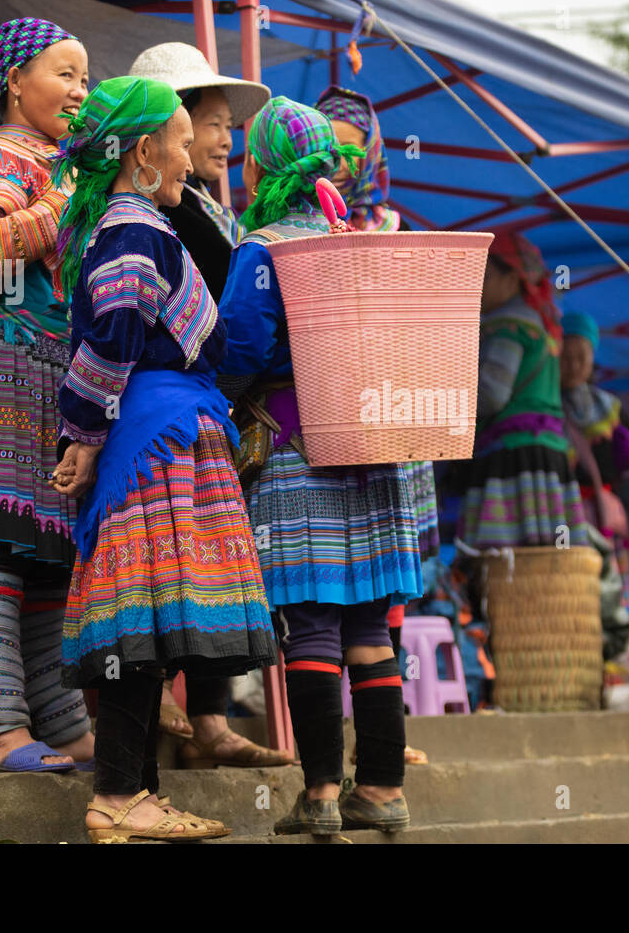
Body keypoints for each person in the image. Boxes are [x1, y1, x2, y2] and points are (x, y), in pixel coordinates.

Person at [52, 75, 278, 842]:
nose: (193, 158)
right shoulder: (132, 233)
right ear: (145, 152)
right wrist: (82, 439)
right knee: (140, 625)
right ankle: (117, 796)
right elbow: (110, 340)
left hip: (161, 433)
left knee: (143, 625)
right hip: (157, 444)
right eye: (183, 142)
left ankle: (136, 794)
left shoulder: (134, 226)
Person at [218, 96, 419, 835]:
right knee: (370, 627)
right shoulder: (355, 241)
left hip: (296, 455)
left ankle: (324, 795)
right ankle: (386, 791)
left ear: (260, 163)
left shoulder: (263, 247)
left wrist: (213, 404)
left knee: (309, 626)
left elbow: (239, 348)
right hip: (368, 451)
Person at [126, 42, 294, 770]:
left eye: (228, 127)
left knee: (220, 559)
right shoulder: (157, 216)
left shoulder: (209, 211)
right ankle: (166, 712)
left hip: (211, 410)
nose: (225, 140)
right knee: (172, 556)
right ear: (170, 128)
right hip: (172, 408)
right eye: (213, 123)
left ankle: (212, 717)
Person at [0, 18, 93, 773]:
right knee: (0, 545)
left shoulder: (67, 163)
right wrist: (68, 197)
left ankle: (63, 727)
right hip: (10, 364)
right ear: (14, 81)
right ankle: (1, 731)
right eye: (64, 73)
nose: (80, 90)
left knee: (50, 556)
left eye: (84, 78)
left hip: (64, 374)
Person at [316, 83, 432, 767]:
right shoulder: (301, 225)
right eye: (330, 146)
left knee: (389, 584)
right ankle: (336, 747)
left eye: (354, 149)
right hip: (328, 424)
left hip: (393, 423)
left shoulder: (392, 229)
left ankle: (381, 738)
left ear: (375, 155)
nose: (341, 160)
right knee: (331, 588)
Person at [456, 232, 588, 550]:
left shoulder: (508, 323)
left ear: (512, 279)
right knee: (543, 560)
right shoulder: (538, 324)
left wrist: (442, 405)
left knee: (505, 564)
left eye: (485, 276)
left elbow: (491, 394)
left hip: (515, 458)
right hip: (545, 456)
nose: (478, 285)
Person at [559, 310, 629, 550]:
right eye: (565, 356)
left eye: (581, 356)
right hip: (557, 518)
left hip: (604, 521)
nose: (573, 365)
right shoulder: (541, 407)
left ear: (593, 357)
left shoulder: (610, 409)